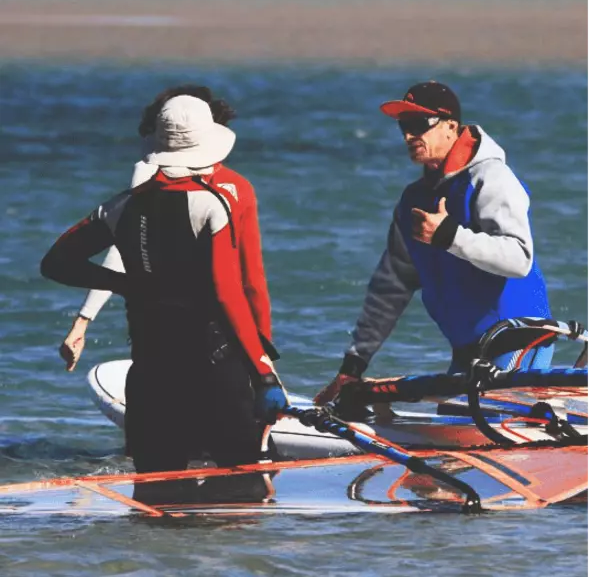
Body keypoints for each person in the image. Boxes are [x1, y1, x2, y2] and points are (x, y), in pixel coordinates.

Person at [41, 94, 286, 473]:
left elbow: (56, 263)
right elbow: (229, 292)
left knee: (154, 491)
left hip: (150, 365)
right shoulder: (213, 204)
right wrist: (263, 371)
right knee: (242, 492)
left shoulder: (121, 205)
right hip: (214, 365)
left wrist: (126, 285)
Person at [314, 81, 552, 405]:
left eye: (418, 125)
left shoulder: (491, 178)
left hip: (518, 344)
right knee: (451, 435)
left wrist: (451, 237)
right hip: (468, 355)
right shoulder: (414, 200)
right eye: (403, 126)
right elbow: (390, 288)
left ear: (451, 126)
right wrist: (354, 366)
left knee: (468, 441)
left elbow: (518, 259)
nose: (409, 136)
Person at [57, 86, 270, 374]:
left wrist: (85, 318)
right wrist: (263, 363)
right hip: (221, 343)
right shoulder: (238, 188)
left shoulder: (147, 178)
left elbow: (121, 244)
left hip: (153, 340)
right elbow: (249, 283)